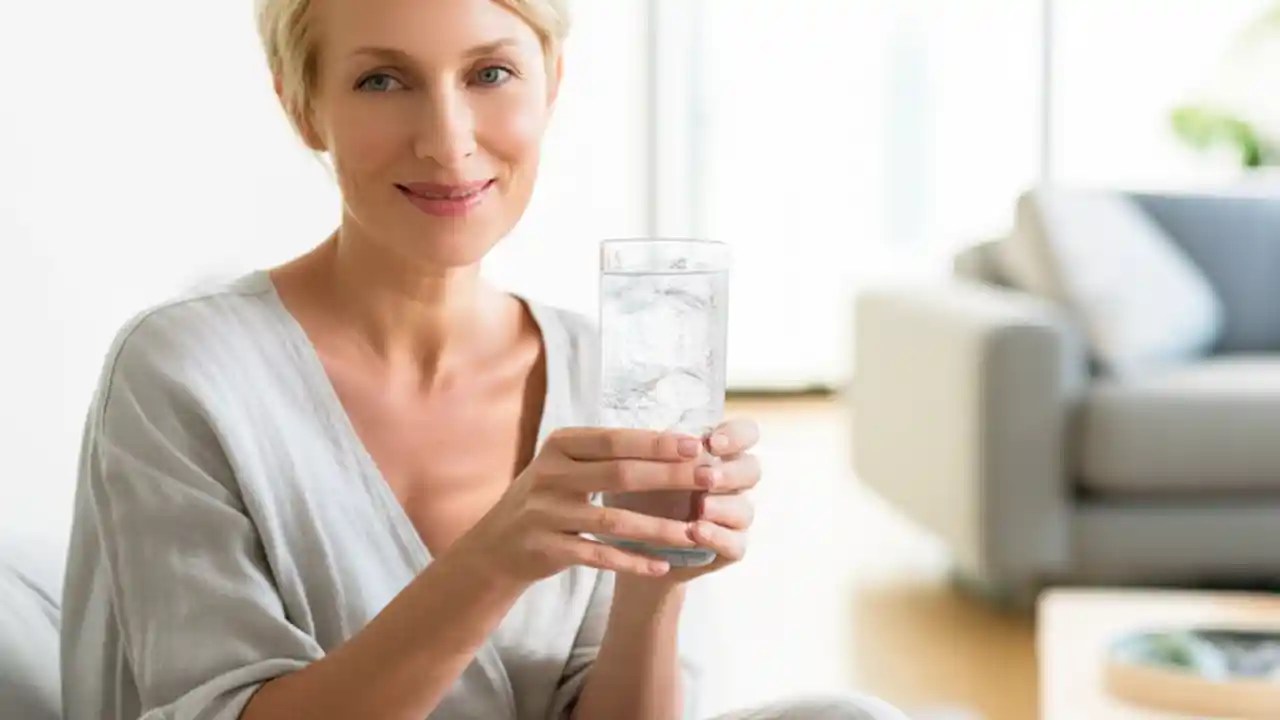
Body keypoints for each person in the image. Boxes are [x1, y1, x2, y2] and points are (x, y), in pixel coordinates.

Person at [59, 1, 905, 718]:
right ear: (302, 107)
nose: (448, 141)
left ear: (552, 83)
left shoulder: (605, 372)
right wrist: (496, 558)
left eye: (490, 74)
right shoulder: (184, 373)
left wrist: (656, 580)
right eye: (381, 81)